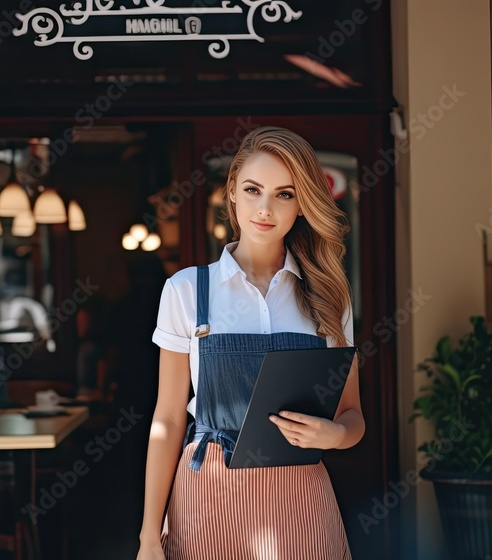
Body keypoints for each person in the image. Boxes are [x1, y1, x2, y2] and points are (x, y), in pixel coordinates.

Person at [137, 126, 364, 560]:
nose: (265, 208)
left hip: (301, 500)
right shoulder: (187, 290)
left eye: (284, 194)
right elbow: (166, 418)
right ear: (232, 196)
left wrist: (334, 435)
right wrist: (150, 537)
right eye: (253, 189)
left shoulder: (329, 299)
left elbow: (353, 418)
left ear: (302, 206)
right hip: (207, 497)